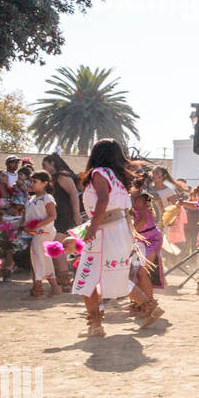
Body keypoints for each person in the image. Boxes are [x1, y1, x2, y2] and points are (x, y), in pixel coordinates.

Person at [72, 139, 162, 334]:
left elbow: (103, 201)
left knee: (87, 277)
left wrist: (92, 228)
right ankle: (150, 308)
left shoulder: (99, 173)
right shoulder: (117, 178)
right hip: (118, 232)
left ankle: (95, 325)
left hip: (104, 232)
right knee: (115, 276)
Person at [43, 153, 83, 288]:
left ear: (52, 163)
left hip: (65, 215)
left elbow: (74, 194)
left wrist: (76, 214)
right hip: (58, 215)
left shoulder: (62, 177)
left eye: (45, 165)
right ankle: (65, 278)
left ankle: (65, 280)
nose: (44, 168)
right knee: (59, 247)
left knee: (57, 246)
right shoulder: (54, 179)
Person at [23, 171, 60, 298]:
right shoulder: (31, 199)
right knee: (42, 258)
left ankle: (38, 288)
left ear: (44, 183)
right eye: (31, 181)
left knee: (37, 258)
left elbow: (52, 216)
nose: (31, 184)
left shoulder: (47, 198)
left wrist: (35, 225)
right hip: (36, 232)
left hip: (44, 232)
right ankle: (54, 287)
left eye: (35, 182)